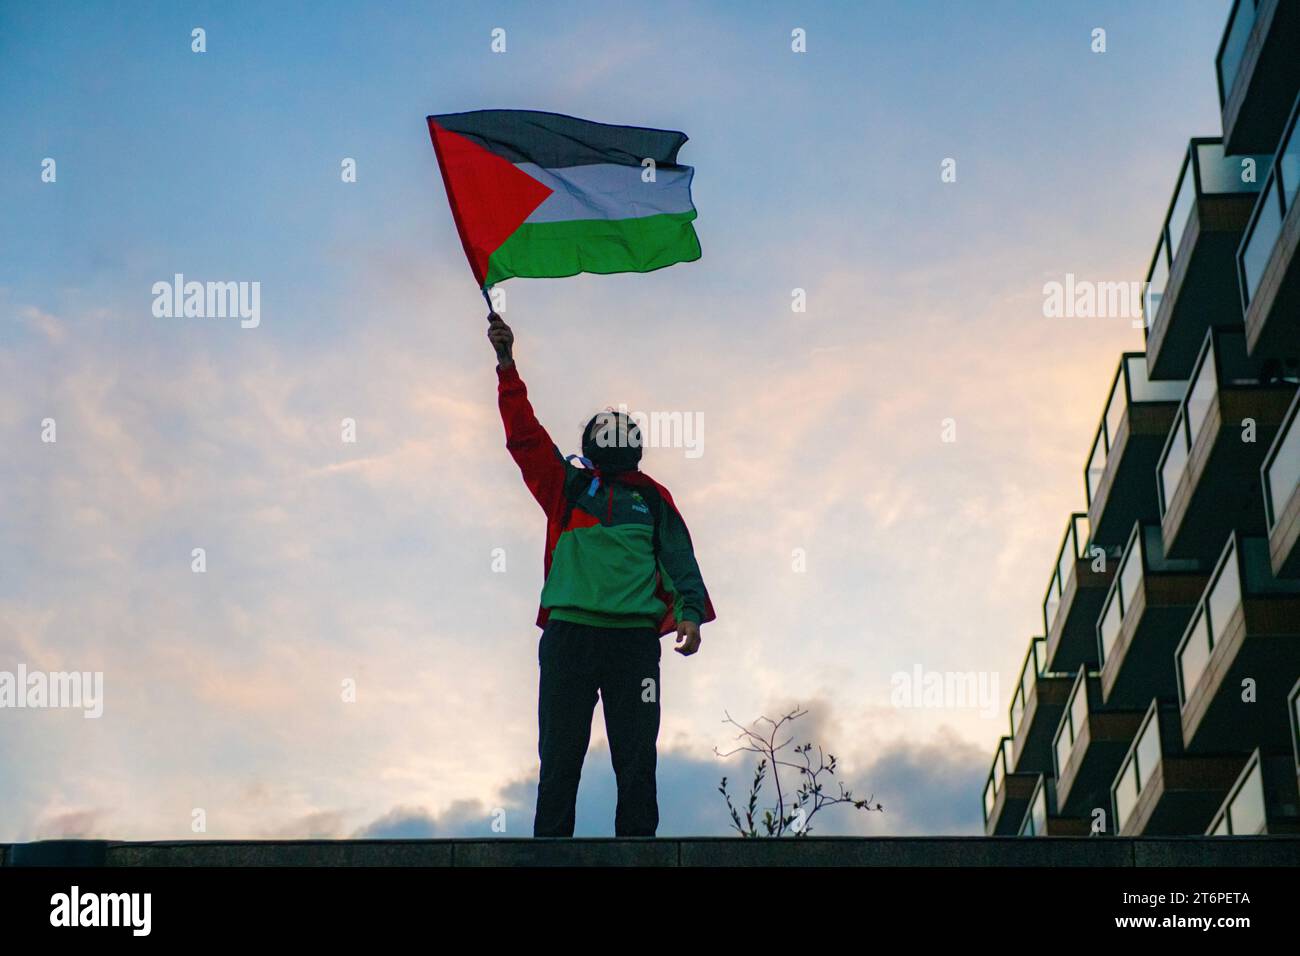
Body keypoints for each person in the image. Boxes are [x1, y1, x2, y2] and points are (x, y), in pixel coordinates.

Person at [487, 311, 714, 837]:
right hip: (569, 639)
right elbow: (525, 437)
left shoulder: (652, 499)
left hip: (633, 644)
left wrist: (692, 614)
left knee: (637, 762)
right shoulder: (566, 486)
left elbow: (680, 559)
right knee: (559, 762)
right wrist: (506, 363)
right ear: (592, 444)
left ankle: (636, 854)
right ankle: (550, 856)